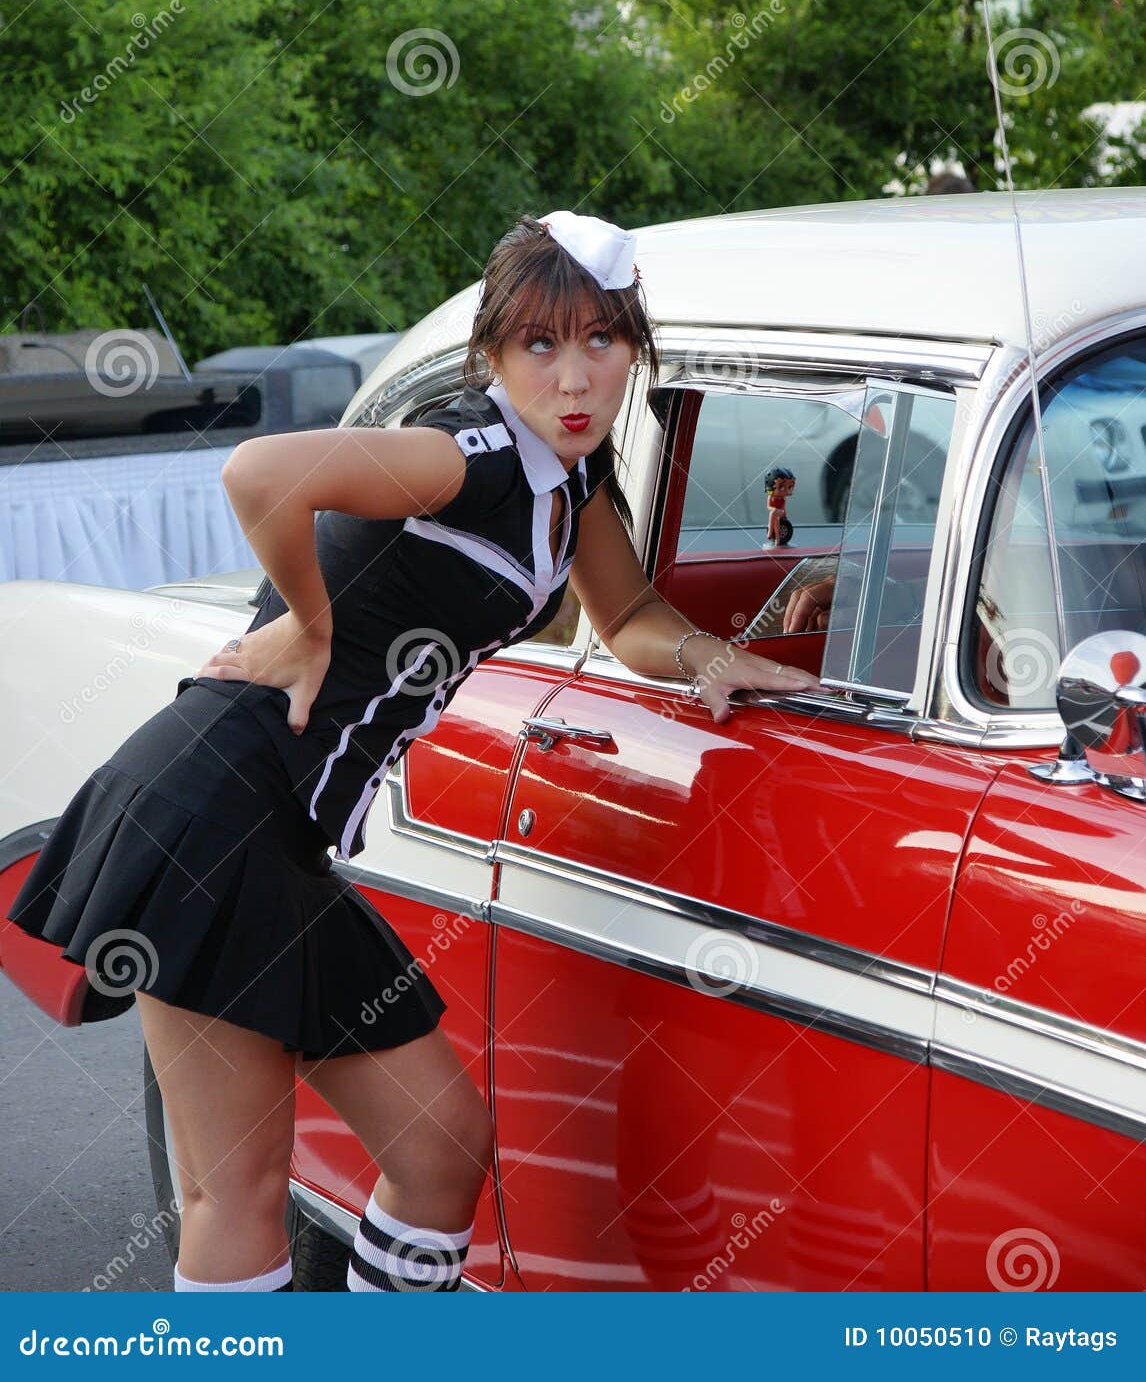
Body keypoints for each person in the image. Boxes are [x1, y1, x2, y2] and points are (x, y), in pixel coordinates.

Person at [7, 209, 817, 1293]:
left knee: (441, 1152)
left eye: (601, 342)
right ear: (493, 355)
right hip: (210, 813)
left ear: (634, 349)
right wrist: (309, 619)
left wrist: (714, 655)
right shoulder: (471, 455)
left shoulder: (571, 481)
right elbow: (261, 473)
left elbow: (626, 621)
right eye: (540, 344)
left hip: (286, 839)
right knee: (234, 1194)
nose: (574, 377)